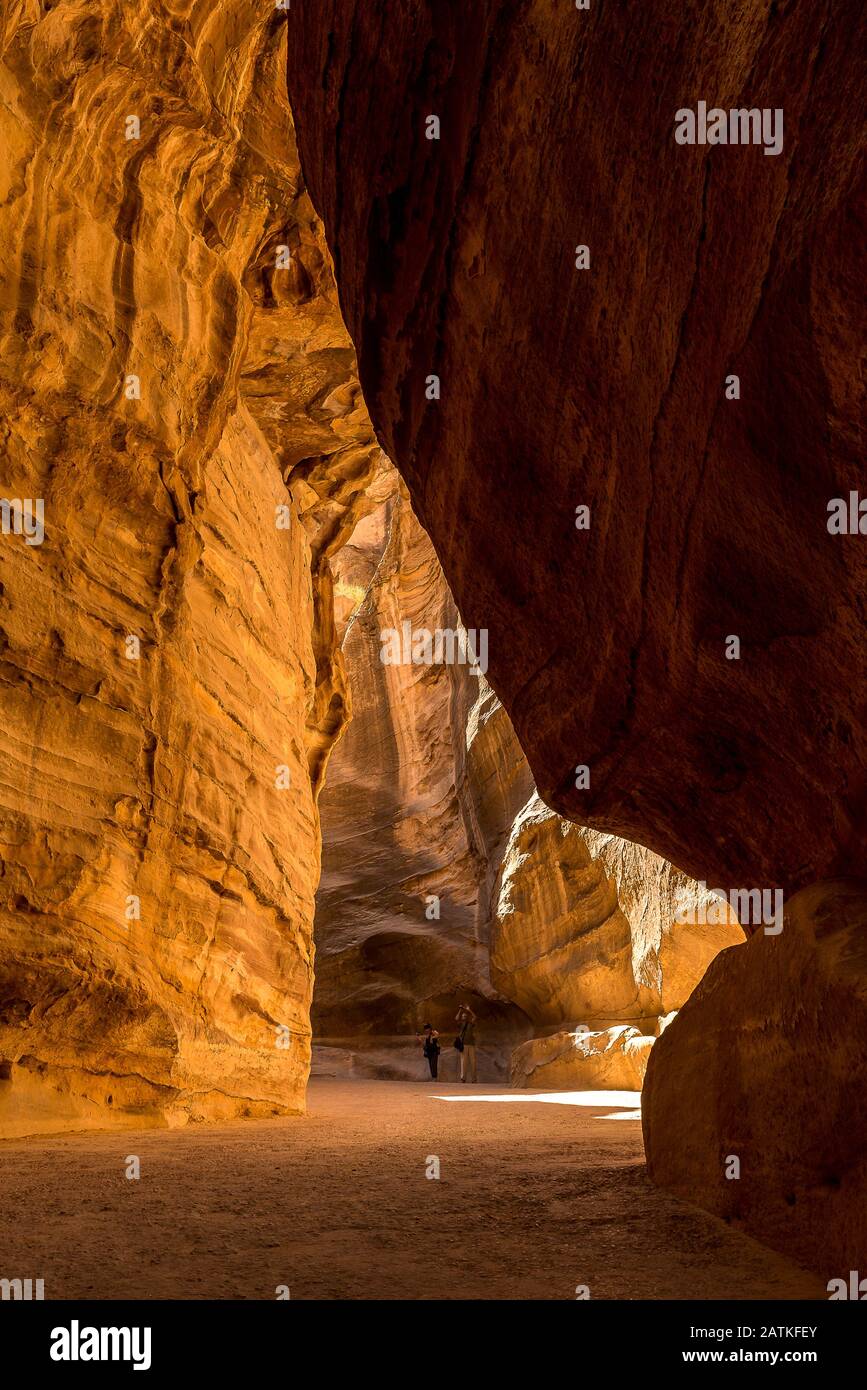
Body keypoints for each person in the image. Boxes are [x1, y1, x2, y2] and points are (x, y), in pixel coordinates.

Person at [456, 1003, 477, 1083]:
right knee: (463, 1061)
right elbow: (456, 1018)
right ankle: (463, 1078)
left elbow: (475, 1017)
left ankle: (474, 1079)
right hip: (464, 1044)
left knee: (473, 1061)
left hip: (471, 1044)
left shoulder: (470, 1023)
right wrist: (460, 1010)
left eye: (465, 1016)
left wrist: (469, 1010)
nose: (464, 1017)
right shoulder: (461, 1024)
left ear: (467, 1017)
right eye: (463, 1016)